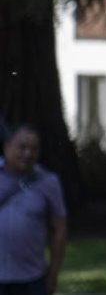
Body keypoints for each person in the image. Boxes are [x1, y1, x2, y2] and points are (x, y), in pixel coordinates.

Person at [0, 126, 67, 295]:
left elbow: (59, 229)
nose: (28, 154)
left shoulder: (48, 182)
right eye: (22, 147)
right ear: (7, 147)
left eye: (34, 149)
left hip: (32, 280)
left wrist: (53, 275)